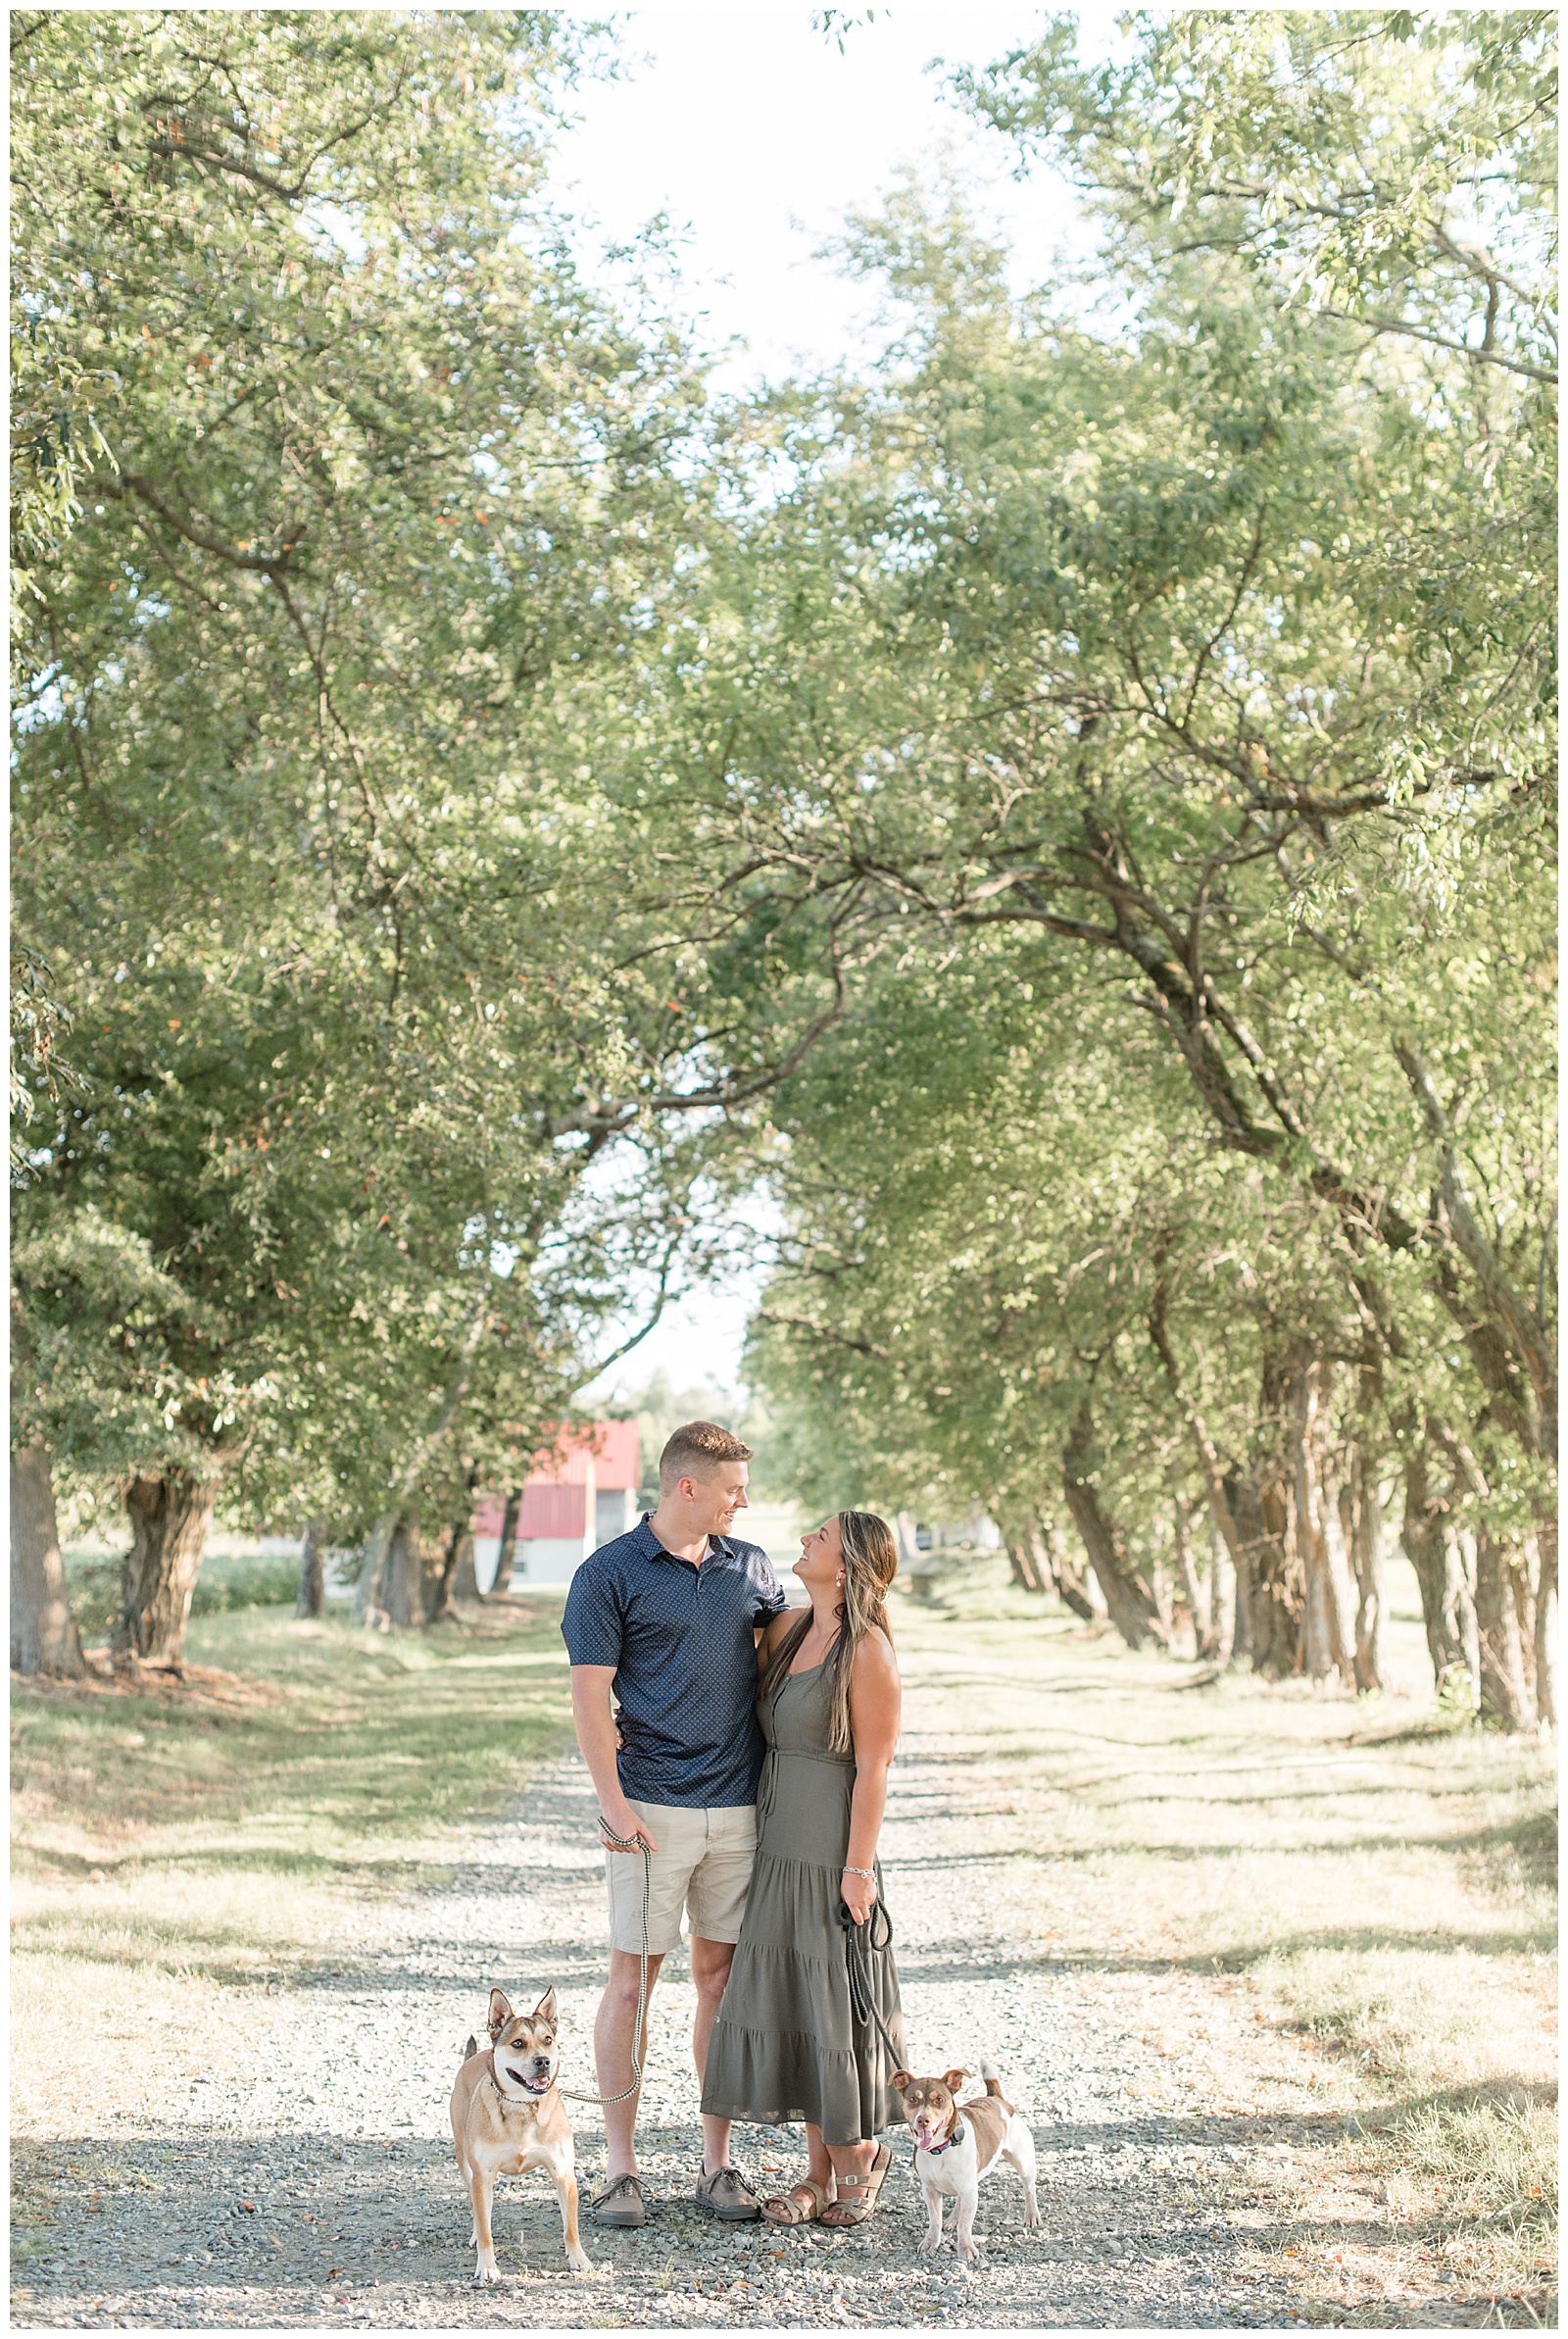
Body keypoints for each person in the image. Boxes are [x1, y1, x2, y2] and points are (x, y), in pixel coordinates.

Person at [562, 1419, 787, 2227]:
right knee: (633, 1983)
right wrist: (613, 1806)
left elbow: (787, 1660)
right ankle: (619, 2170)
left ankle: (716, 2162)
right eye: (733, 1489)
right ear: (686, 1486)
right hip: (650, 1809)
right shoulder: (608, 1573)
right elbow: (590, 1696)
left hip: (739, 1808)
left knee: (719, 1982)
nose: (743, 1502)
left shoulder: (750, 1566)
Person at [700, 1510, 906, 2229]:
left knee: (832, 2002)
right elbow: (716, 1686)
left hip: (829, 1849)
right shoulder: (787, 1629)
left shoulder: (868, 1649)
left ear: (846, 1567)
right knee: (799, 2005)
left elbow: (874, 1769)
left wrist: (857, 1869)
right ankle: (818, 2173)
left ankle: (857, 2156)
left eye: (820, 1536)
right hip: (775, 1839)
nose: (804, 1541)